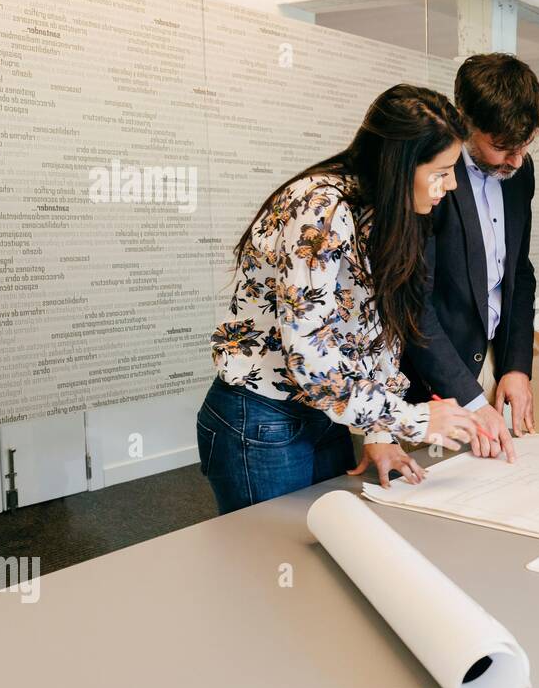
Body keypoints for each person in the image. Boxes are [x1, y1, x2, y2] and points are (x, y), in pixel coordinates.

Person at [199, 84, 480, 512]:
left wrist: (380, 433)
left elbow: (380, 329)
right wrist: (411, 418)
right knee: (267, 561)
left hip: (326, 411)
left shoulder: (385, 210)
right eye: (440, 172)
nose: (451, 184)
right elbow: (309, 352)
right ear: (400, 164)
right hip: (262, 417)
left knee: (323, 544)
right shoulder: (320, 207)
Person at [401, 53, 539, 462]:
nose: (516, 160)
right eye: (501, 147)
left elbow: (518, 271)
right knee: (432, 491)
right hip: (431, 369)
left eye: (525, 144)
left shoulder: (520, 171)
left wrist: (516, 366)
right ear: (463, 122)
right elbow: (415, 303)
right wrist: (468, 396)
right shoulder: (430, 176)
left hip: (491, 359)